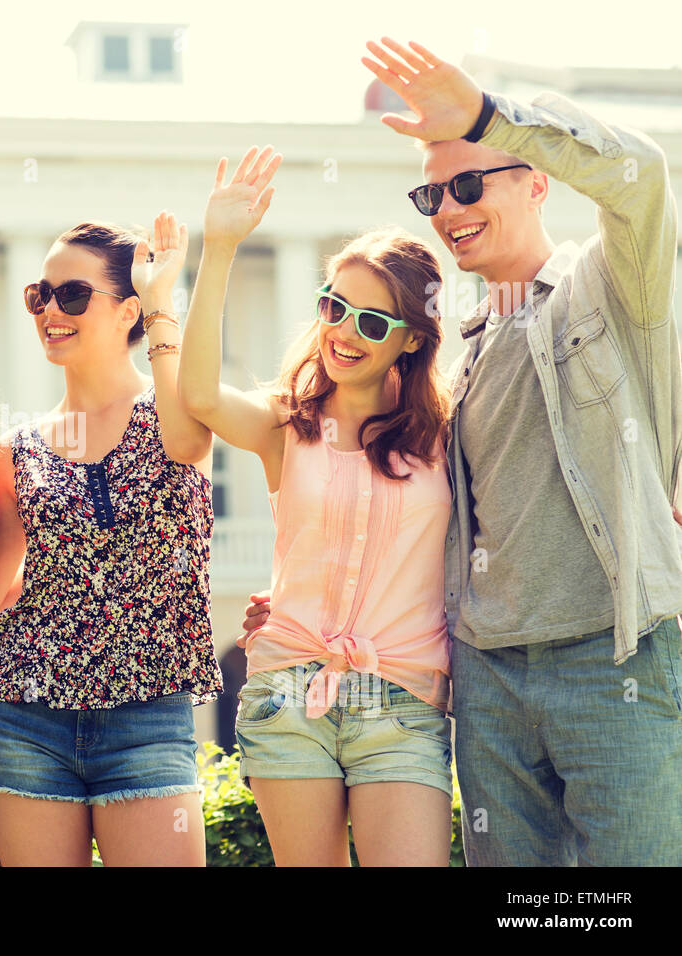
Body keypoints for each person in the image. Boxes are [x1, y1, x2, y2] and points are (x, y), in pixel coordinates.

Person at [248, 38, 682, 866]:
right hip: (487, 679)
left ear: (538, 180)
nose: (449, 208)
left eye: (471, 182)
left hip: (611, 655)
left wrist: (489, 116)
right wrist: (310, 608)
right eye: (433, 193)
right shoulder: (458, 368)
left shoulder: (612, 292)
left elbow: (642, 177)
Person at [170, 147, 455, 865]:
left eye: (372, 321)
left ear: (413, 340)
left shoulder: (449, 437)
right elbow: (198, 396)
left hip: (402, 699)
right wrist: (222, 246)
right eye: (335, 306)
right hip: (287, 694)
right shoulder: (284, 424)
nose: (345, 332)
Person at [0, 219, 223, 867]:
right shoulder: (16, 450)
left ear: (127, 311)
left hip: (147, 712)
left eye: (73, 295)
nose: (50, 310)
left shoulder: (177, 414)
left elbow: (188, 445)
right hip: (22, 711)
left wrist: (164, 297)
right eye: (39, 296)